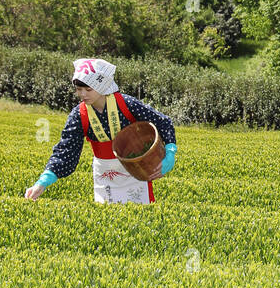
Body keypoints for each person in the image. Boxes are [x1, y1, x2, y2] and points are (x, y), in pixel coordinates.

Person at [24, 58, 176, 204]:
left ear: (102, 85)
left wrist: (170, 152)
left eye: (88, 89)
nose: (83, 94)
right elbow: (66, 150)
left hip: (134, 172)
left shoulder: (126, 103)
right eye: (79, 89)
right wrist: (43, 181)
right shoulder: (79, 114)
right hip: (104, 175)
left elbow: (163, 122)